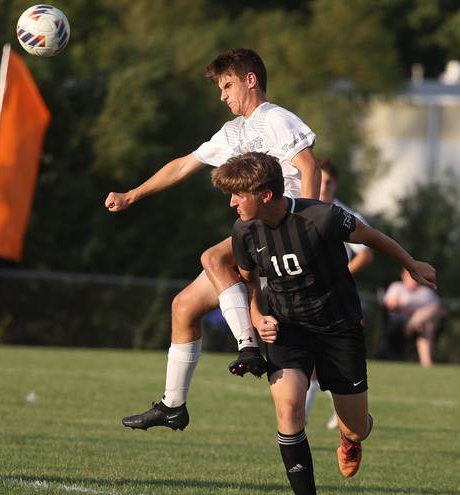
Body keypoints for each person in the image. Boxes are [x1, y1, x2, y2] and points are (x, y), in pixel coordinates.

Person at [211, 152, 436, 495]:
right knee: (289, 409)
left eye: (238, 195)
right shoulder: (244, 231)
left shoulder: (321, 217)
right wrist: (258, 317)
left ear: (265, 195)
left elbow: (372, 237)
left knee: (357, 426)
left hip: (339, 329)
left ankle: (350, 439)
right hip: (288, 330)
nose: (232, 203)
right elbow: (249, 282)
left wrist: (411, 265)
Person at [105, 49, 321, 431]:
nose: (223, 95)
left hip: (281, 225)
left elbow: (309, 166)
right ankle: (173, 406)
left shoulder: (275, 118)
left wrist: (308, 223)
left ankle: (248, 344)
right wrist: (132, 195)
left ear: (250, 80)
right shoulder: (233, 132)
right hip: (255, 233)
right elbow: (183, 165)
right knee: (184, 306)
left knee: (214, 258)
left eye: (227, 85)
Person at [304, 158, 373, 429]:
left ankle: (340, 411)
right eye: (320, 179)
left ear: (336, 184)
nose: (324, 185)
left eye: (329, 181)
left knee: (333, 359)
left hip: (335, 298)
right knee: (311, 359)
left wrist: (339, 275)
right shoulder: (302, 208)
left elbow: (365, 253)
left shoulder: (342, 214)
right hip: (308, 294)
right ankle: (306, 416)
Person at [377, 268, 442, 366]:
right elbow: (390, 305)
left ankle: (426, 362)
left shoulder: (426, 293)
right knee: (426, 325)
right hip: (399, 324)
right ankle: (413, 325)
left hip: (420, 325)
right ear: (403, 276)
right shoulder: (397, 287)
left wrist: (420, 318)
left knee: (428, 323)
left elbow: (438, 310)